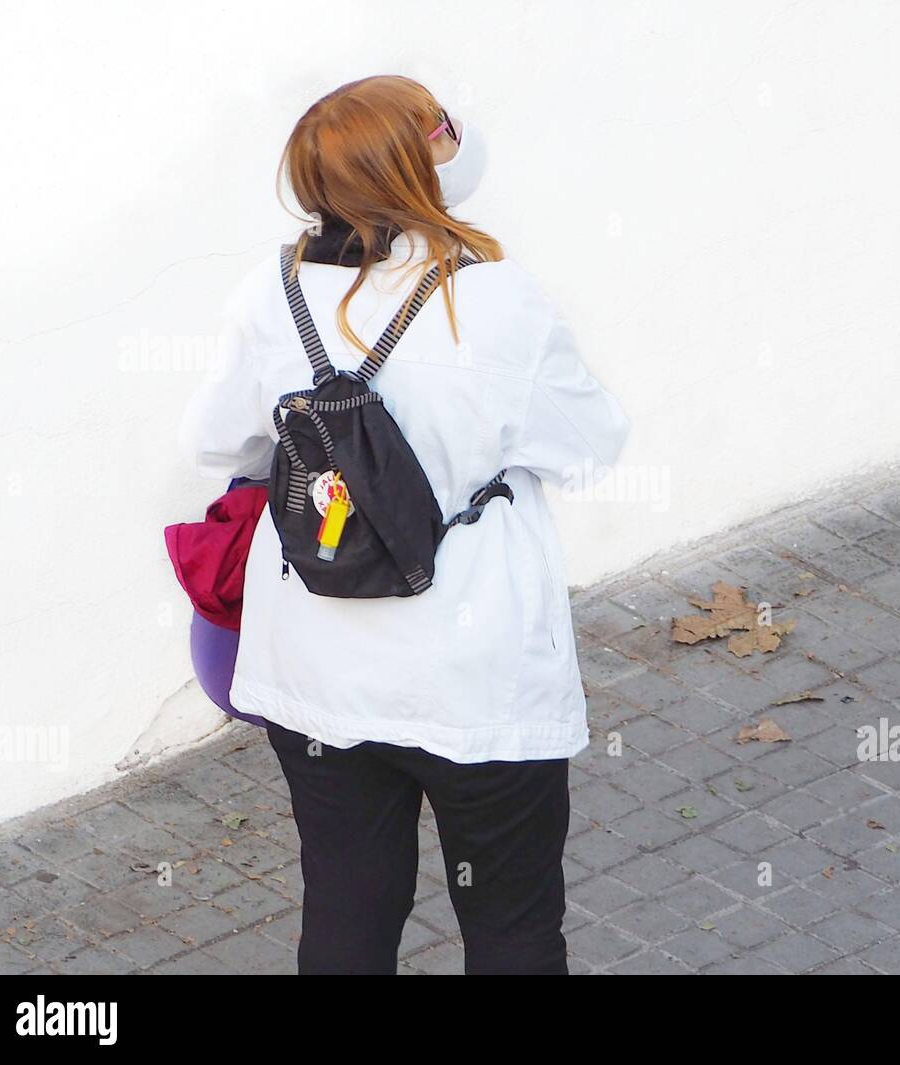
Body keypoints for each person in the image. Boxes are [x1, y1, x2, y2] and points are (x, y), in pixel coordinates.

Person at [178, 74, 630, 975]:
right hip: (474, 672)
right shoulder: (497, 301)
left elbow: (217, 441)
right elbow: (591, 447)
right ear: (414, 167)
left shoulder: (269, 293)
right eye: (440, 131)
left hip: (316, 662)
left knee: (346, 904)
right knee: (511, 920)